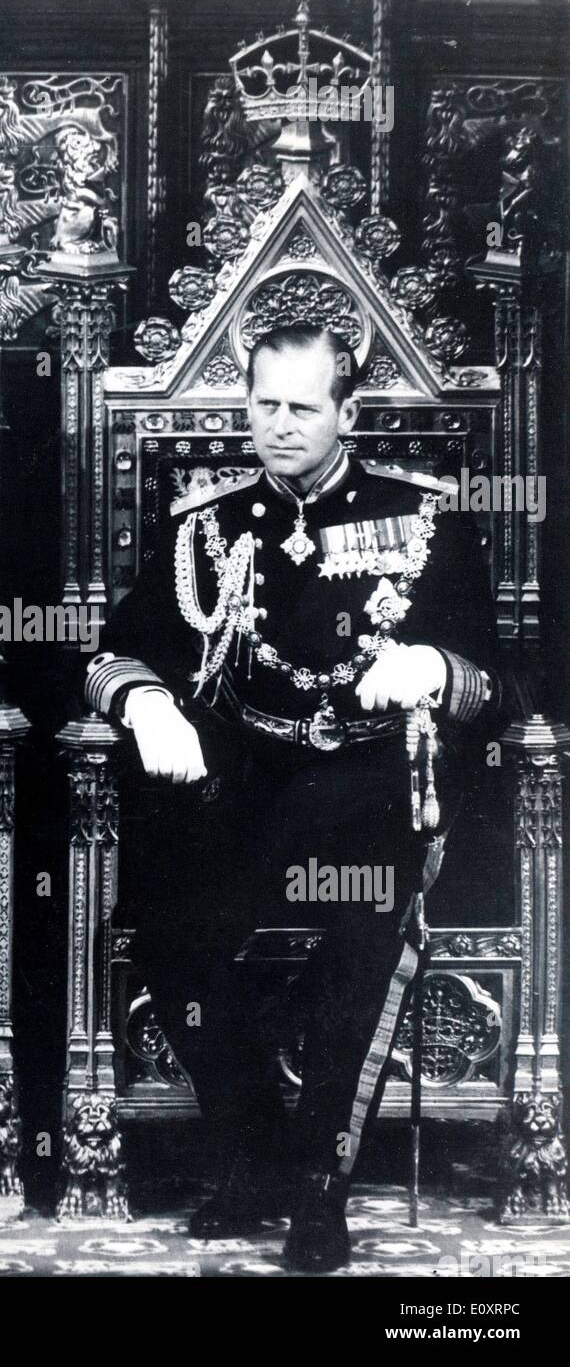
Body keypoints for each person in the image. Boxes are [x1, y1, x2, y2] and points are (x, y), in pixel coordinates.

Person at [85, 324, 501, 1272]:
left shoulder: (427, 520)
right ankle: (254, 1147)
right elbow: (112, 650)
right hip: (243, 778)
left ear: (347, 412)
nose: (279, 425)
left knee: (359, 938)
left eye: (303, 407)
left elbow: (500, 686)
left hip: (368, 784)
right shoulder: (207, 527)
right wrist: (149, 702)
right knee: (168, 927)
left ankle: (320, 1182)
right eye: (264, 405)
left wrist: (434, 666)